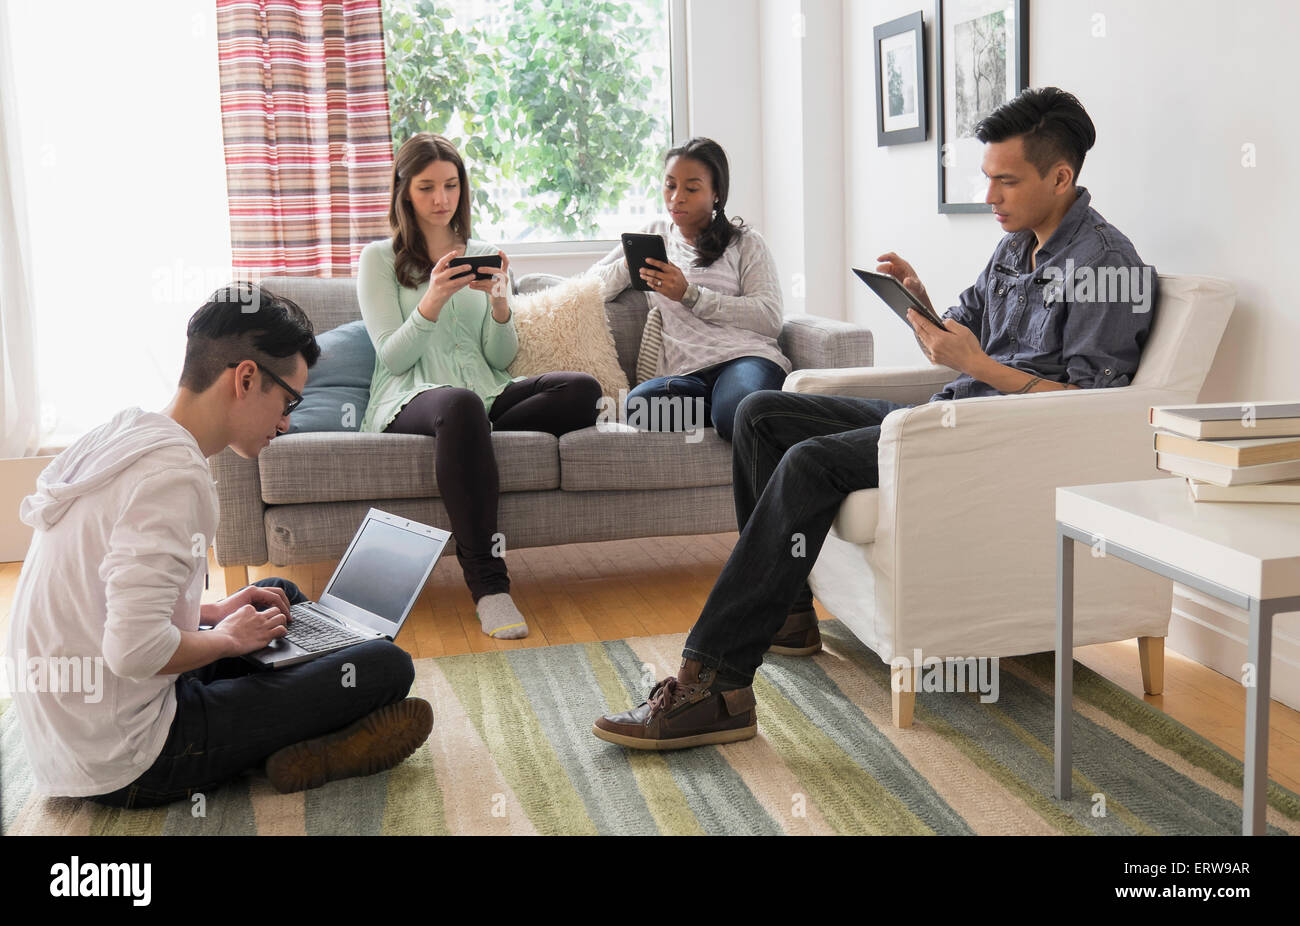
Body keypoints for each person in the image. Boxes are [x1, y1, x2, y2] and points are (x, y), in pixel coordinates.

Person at [593, 87, 1158, 750]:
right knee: (759, 413)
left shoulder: (1108, 268)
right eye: (987, 179)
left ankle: (715, 684)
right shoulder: (1016, 247)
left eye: (1006, 181)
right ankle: (789, 617)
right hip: (946, 417)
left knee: (810, 461)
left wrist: (982, 366)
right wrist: (920, 306)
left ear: (1060, 177)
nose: (990, 197)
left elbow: (1088, 413)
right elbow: (965, 328)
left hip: (991, 447)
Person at [6, 284, 433, 807]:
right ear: (247, 379)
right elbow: (135, 650)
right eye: (289, 401)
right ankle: (321, 738)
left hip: (78, 729)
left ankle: (306, 690)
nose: (286, 422)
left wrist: (214, 612)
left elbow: (111, 601)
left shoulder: (127, 434)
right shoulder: (171, 478)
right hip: (129, 757)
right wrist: (227, 639)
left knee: (274, 594)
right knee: (386, 667)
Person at [357, 133, 602, 641]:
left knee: (582, 390)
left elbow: (499, 358)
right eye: (427, 188)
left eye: (451, 186)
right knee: (462, 405)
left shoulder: (484, 253)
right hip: (411, 393)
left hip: (481, 393)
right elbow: (393, 355)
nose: (441, 199)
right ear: (404, 192)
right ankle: (489, 588)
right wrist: (432, 300)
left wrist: (499, 306)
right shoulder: (379, 259)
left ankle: (468, 435)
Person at [588, 137, 788, 441]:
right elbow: (590, 287)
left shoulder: (745, 242)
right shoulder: (654, 235)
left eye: (691, 188)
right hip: (685, 375)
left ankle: (736, 410)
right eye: (670, 185)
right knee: (638, 408)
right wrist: (629, 265)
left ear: (716, 193)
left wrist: (690, 295)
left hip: (744, 359)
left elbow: (770, 318)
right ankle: (736, 412)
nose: (676, 198)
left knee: (735, 410)